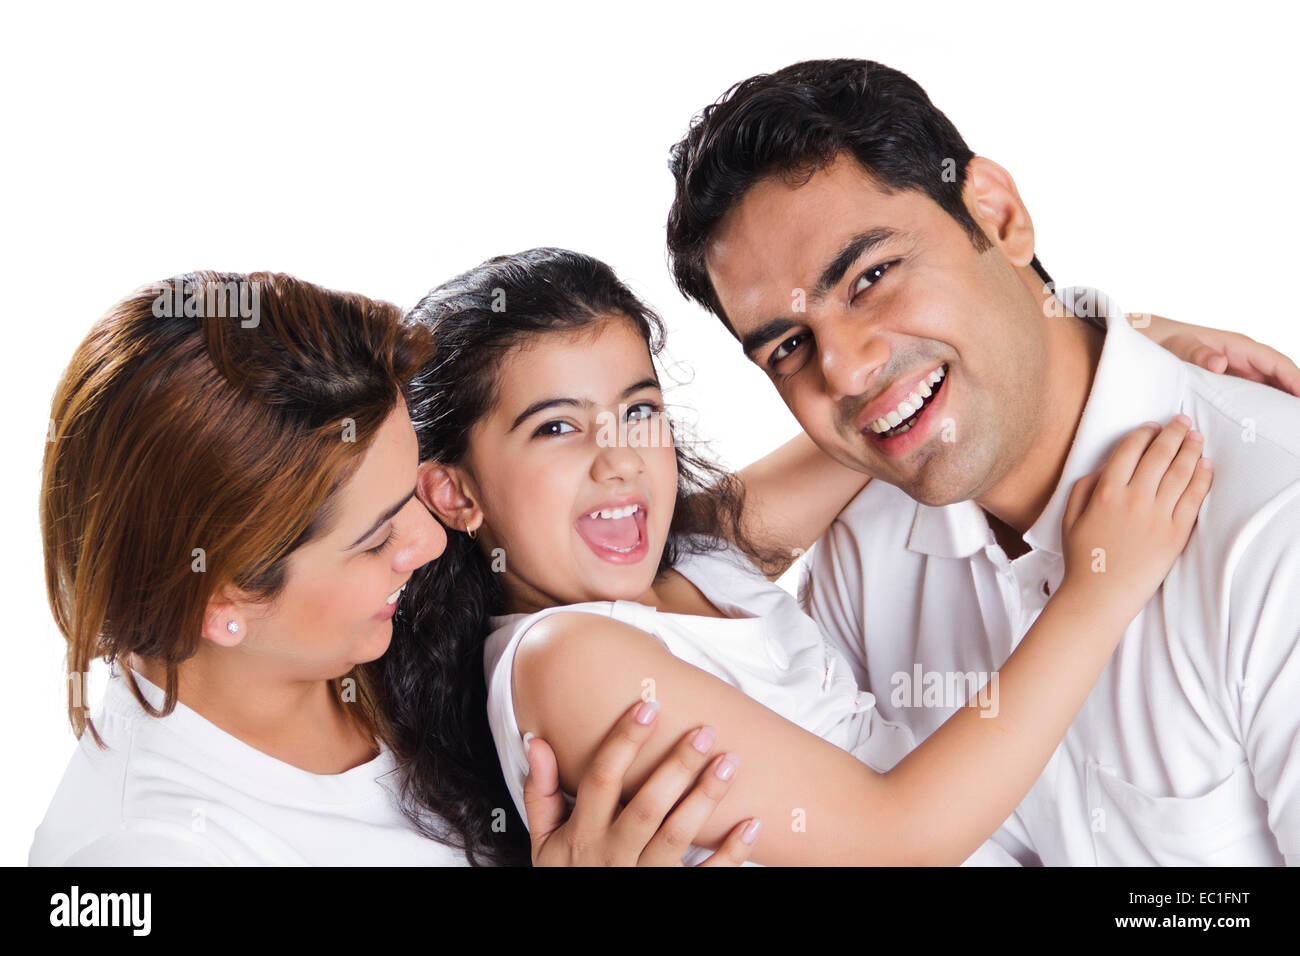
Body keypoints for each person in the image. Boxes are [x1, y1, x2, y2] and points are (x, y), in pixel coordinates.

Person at [664, 58, 1300, 864]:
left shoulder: (1276, 521)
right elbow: (621, 571)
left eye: (870, 278)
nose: (848, 370)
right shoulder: (867, 544)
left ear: (996, 216)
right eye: (790, 346)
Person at [395, 247, 1213, 865]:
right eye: (557, 427)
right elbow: (893, 840)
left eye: (638, 409)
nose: (619, 459)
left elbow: (870, 422)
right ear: (456, 494)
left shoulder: (687, 558)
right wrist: (1100, 589)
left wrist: (1111, 348)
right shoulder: (561, 657)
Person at [30, 270, 759, 867]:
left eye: (411, 488)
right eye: (377, 539)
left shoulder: (370, 639)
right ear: (222, 601)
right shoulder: (151, 854)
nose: (431, 541)